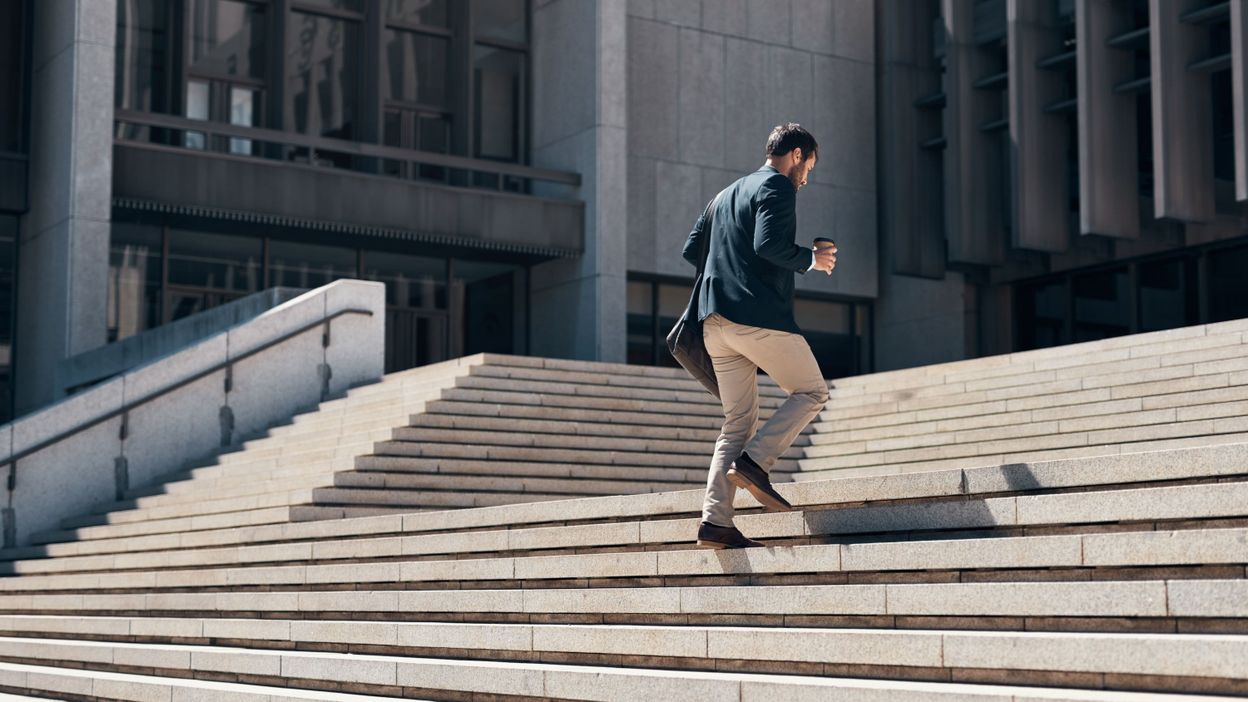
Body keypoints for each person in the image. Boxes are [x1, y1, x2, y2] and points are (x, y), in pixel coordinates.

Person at [681, 122, 836, 549]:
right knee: (811, 392)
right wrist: (812, 259)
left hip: (714, 322)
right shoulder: (778, 187)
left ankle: (715, 522)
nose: (807, 178)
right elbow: (769, 244)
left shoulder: (724, 195)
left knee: (736, 423)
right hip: (756, 315)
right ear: (798, 154)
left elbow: (691, 249)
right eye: (809, 167)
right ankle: (754, 463)